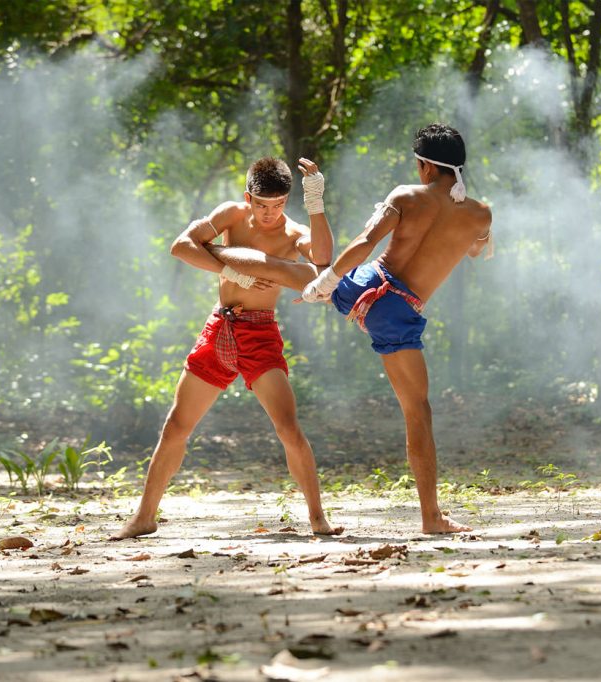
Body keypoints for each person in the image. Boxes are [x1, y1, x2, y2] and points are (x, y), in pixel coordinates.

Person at [110, 157, 342, 540]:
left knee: (288, 428)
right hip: (220, 327)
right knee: (176, 425)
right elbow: (181, 246)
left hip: (259, 333)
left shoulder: (294, 231)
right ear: (248, 198)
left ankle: (318, 518)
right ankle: (144, 516)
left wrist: (315, 202)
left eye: (279, 205)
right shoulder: (231, 214)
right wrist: (232, 271)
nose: (270, 214)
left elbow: (321, 260)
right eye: (263, 205)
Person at [300, 123, 493, 534]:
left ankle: (303, 205)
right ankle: (431, 518)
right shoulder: (481, 213)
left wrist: (326, 281)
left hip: (365, 284)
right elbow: (479, 249)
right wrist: (477, 235)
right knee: (417, 412)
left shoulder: (404, 196)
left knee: (300, 269)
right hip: (398, 310)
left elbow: (366, 240)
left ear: (425, 167)